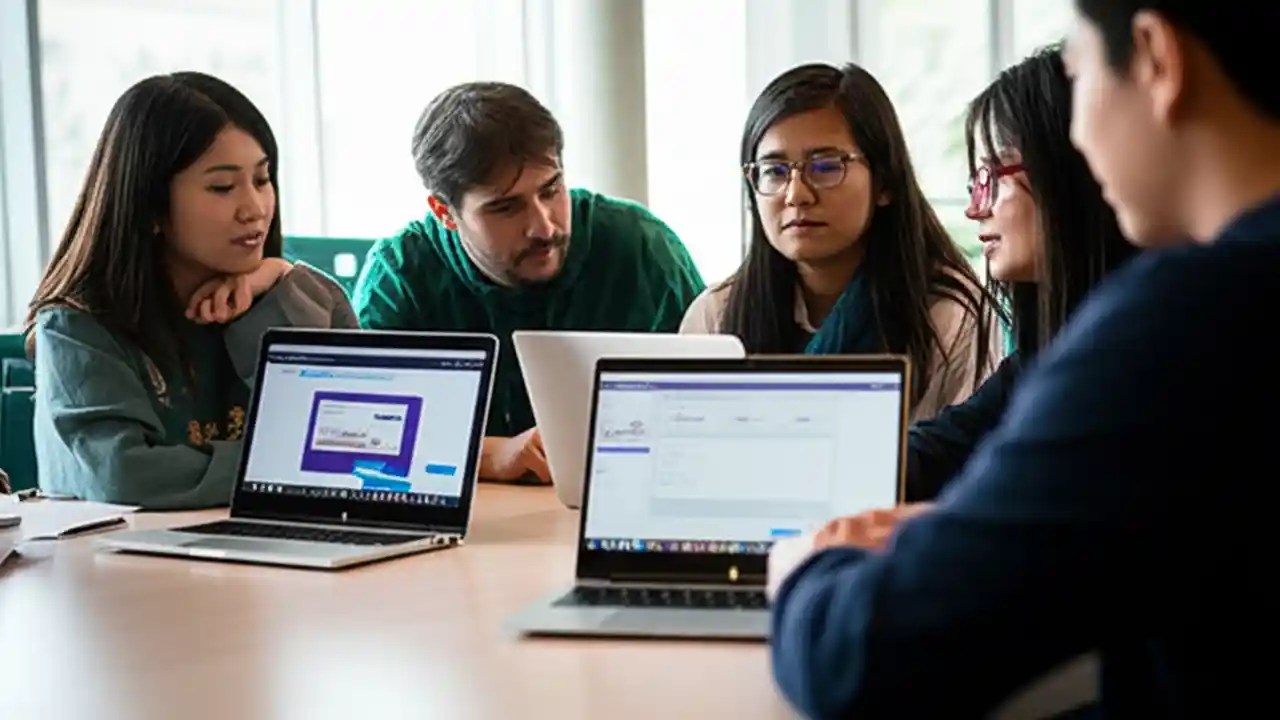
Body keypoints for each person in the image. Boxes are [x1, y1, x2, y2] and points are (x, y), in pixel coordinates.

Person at [766, 1, 1278, 716]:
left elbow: (862, 659)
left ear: (1156, 59)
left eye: (1081, 75)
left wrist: (806, 570)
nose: (1079, 132)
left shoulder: (1195, 318)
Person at [27, 72, 356, 510]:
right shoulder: (77, 328)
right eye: (222, 187)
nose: (255, 209)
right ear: (150, 206)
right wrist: (305, 466)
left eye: (262, 179)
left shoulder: (302, 294)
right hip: (130, 571)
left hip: (275, 555)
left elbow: (355, 434)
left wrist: (275, 287)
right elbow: (126, 476)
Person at [353, 82, 705, 484]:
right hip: (483, 530)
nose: (544, 226)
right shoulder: (401, 274)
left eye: (551, 190)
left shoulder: (642, 247)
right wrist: (492, 454)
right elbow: (368, 434)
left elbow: (714, 406)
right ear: (444, 212)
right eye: (505, 207)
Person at [679, 63, 1000, 421]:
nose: (796, 194)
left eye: (826, 166)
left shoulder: (946, 315)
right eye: (774, 171)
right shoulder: (716, 317)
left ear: (884, 183)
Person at [904, 45, 1137, 501]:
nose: (975, 208)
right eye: (975, 183)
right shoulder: (1045, 350)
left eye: (993, 176)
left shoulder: (1129, 347)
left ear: (1067, 173)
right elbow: (945, 448)